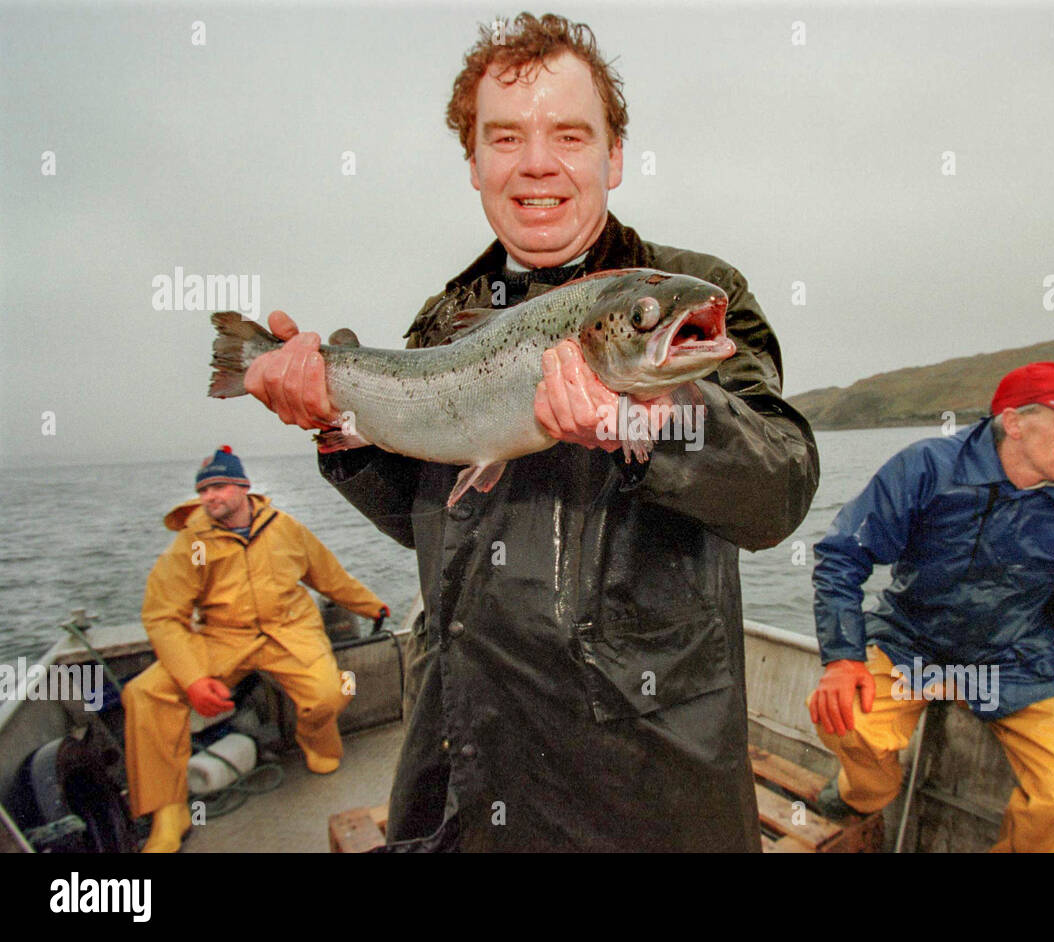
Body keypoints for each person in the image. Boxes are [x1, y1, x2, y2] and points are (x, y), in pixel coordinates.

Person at [241, 13, 819, 851]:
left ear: (614, 156)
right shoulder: (445, 321)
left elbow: (781, 491)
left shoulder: (697, 296)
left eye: (570, 134)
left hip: (649, 782)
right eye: (504, 136)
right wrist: (339, 425)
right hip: (465, 763)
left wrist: (660, 423)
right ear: (473, 161)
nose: (537, 163)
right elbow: (426, 525)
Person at [808, 363, 1054, 852]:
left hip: (1016, 659)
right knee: (838, 712)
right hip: (912, 642)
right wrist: (843, 659)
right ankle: (866, 793)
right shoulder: (926, 468)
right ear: (1014, 422)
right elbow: (843, 555)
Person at [124, 445, 388, 853]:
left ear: (243, 487)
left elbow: (329, 576)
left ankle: (316, 740)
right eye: (204, 490)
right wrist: (193, 679)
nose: (211, 496)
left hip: (290, 629)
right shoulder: (190, 542)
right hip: (223, 636)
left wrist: (370, 604)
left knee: (329, 693)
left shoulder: (285, 528)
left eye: (220, 486)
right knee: (145, 693)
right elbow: (163, 616)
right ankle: (168, 810)